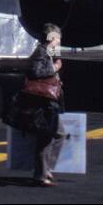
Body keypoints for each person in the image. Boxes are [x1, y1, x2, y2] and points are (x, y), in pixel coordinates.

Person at [14, 23, 67, 186]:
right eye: (57, 38)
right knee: (46, 136)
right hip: (42, 102)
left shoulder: (48, 51)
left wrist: (55, 66)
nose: (59, 41)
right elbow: (35, 72)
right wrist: (54, 68)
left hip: (50, 101)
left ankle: (46, 170)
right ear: (51, 38)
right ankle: (41, 175)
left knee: (57, 134)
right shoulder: (40, 52)